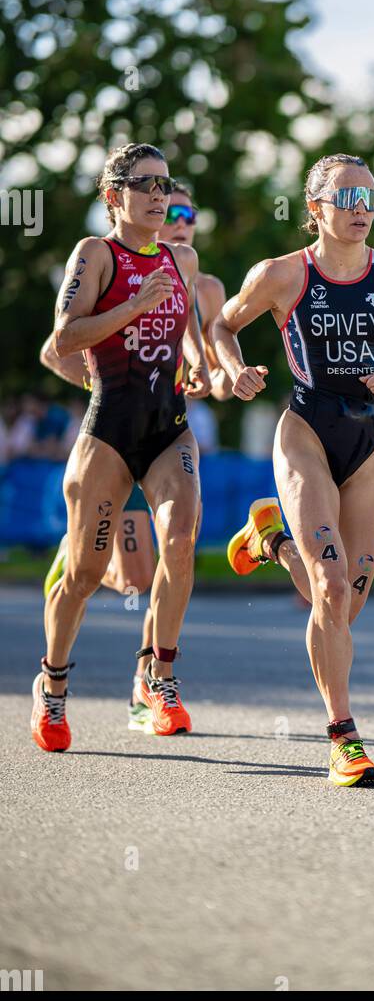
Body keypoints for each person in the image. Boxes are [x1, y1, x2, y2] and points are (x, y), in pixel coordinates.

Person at [213, 153, 374, 787]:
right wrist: (233, 370)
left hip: (373, 438)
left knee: (344, 606)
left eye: (370, 198)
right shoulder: (281, 276)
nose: (360, 210)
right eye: (346, 199)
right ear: (313, 209)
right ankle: (344, 737)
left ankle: (272, 539)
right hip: (307, 431)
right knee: (332, 588)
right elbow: (221, 324)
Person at [31, 143, 210, 752]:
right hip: (109, 430)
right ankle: (53, 686)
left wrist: (208, 370)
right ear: (115, 196)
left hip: (168, 427)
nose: (160, 197)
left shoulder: (182, 259)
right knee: (84, 575)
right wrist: (132, 307)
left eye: (166, 186)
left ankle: (160, 677)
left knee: (180, 539)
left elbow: (189, 331)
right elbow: (65, 335)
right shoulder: (96, 254)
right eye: (147, 185)